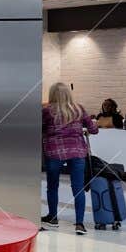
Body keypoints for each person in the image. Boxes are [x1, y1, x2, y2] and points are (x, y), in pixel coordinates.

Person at [42, 81, 97, 235]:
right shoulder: (79, 109)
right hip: (77, 152)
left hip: (55, 152)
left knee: (52, 186)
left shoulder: (47, 111)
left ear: (52, 94)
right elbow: (94, 130)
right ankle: (80, 224)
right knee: (78, 188)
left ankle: (53, 218)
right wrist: (90, 124)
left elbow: (40, 128)